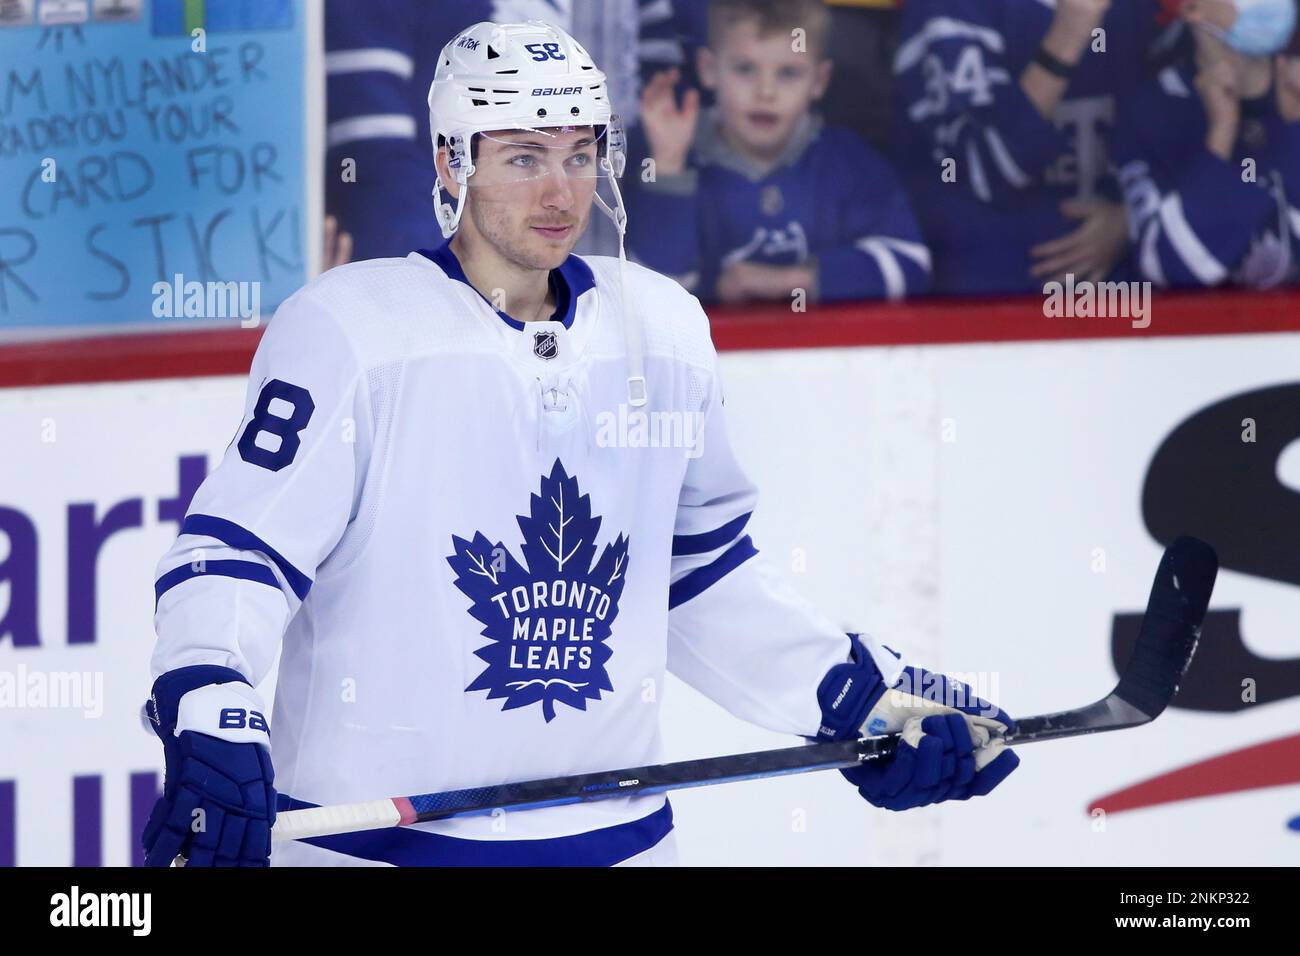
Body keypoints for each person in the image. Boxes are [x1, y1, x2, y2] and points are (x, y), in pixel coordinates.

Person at [141, 19, 1017, 868]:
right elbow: (238, 552)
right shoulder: (352, 331)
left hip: (617, 844)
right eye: (523, 157)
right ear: (454, 161)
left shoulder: (661, 329)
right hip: (372, 849)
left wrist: (861, 698)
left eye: (579, 155)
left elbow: (698, 575)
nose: (560, 193)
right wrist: (211, 695)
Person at [624, 0, 930, 304]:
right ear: (708, 69)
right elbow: (650, 297)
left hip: (829, 351)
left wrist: (797, 279)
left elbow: (912, 266)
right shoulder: (673, 158)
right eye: (745, 69)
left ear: (819, 81)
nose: (766, 92)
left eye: (788, 73)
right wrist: (668, 165)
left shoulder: (850, 161)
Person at [892, 0, 1184, 294]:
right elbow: (991, 173)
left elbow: (1199, 149)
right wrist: (1068, 34)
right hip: (985, 298)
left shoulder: (1140, 10)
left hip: (1124, 295)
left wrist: (1132, 219)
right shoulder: (948, 9)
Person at [1113, 0, 1300, 288]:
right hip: (1203, 330)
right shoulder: (1151, 109)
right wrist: (1221, 136)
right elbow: (1168, 266)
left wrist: (1293, 130)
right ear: (1191, 8)